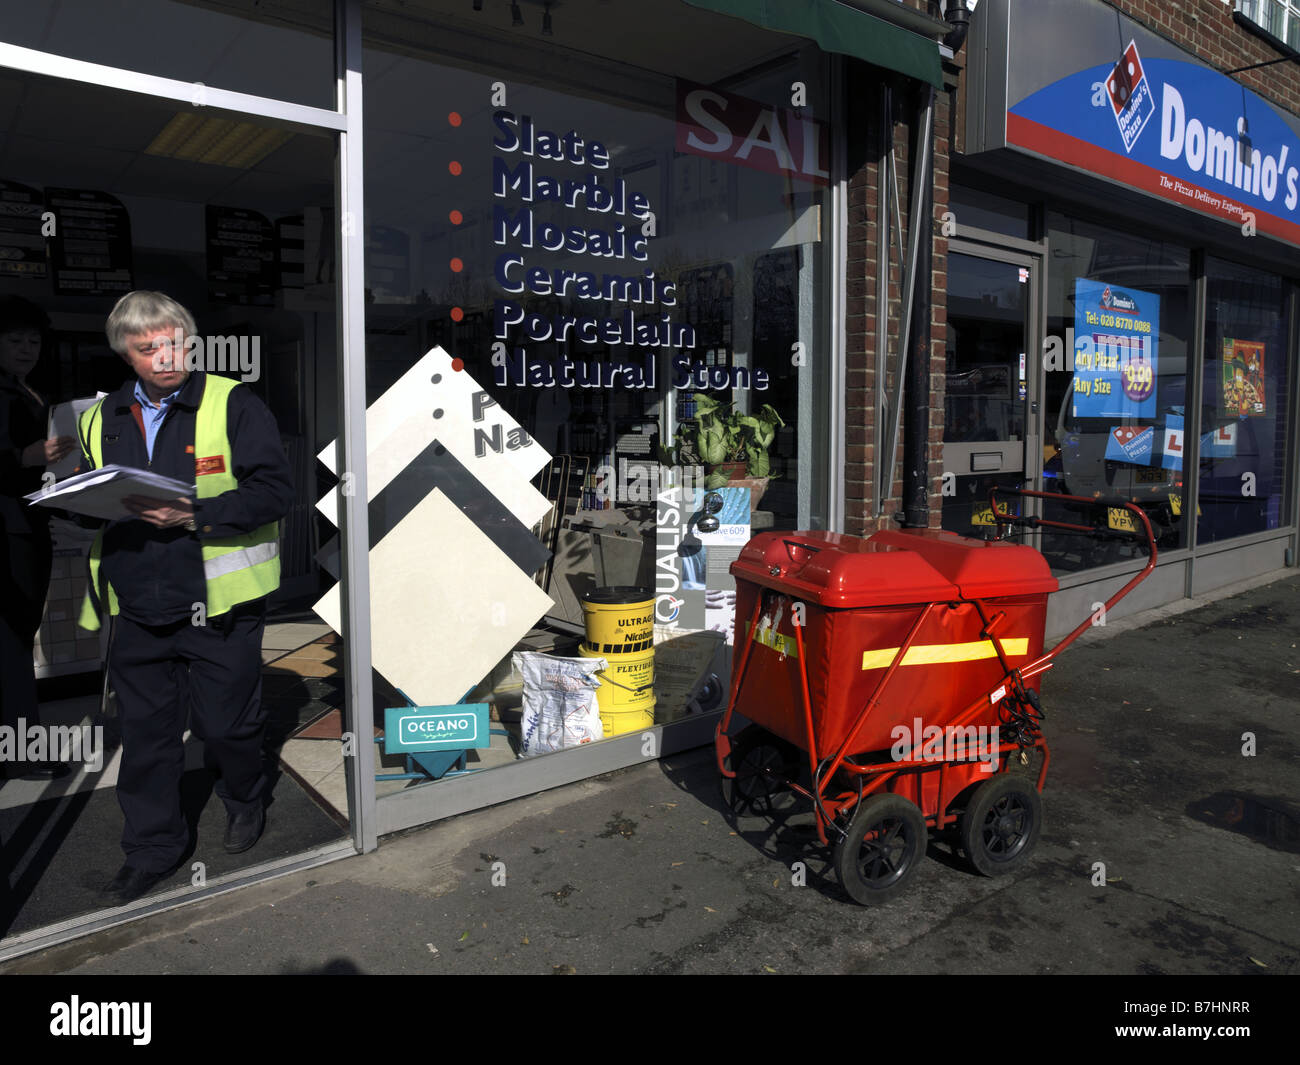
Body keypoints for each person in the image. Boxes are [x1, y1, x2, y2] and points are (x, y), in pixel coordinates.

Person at [75, 291, 292, 903]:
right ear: (126, 353)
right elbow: (96, 500)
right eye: (148, 349)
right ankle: (151, 850)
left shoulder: (232, 403)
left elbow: (275, 491)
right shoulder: (99, 419)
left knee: (226, 724)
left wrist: (194, 514)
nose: (164, 357)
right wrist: (73, 512)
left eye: (174, 343)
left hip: (219, 604)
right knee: (145, 735)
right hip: (137, 604)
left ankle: (246, 797)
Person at [0, 296, 75, 780]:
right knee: (10, 644)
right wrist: (24, 458)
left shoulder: (28, 390)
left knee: (15, 640)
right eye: (14, 339)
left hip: (28, 526)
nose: (27, 347)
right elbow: (17, 458)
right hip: (8, 535)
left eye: (33, 339)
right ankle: (21, 752)